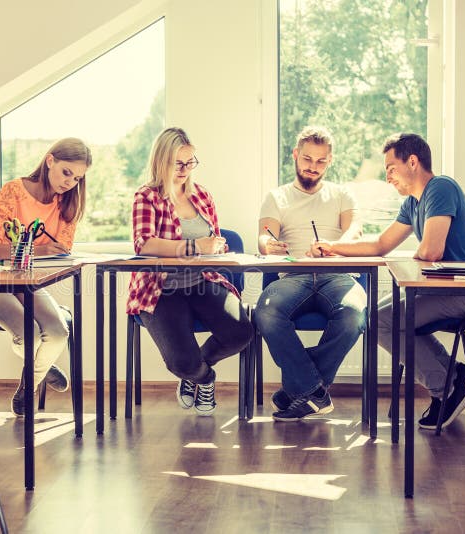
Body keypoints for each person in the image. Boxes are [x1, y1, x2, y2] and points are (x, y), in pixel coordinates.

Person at [313, 132, 465, 429]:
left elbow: (431, 250)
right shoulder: (412, 203)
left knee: (384, 320)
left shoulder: (441, 188)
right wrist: (333, 248)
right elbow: (380, 246)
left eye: (390, 168)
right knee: (376, 318)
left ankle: (446, 387)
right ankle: (454, 377)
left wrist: (419, 255)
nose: (388, 178)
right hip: (448, 289)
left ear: (412, 162)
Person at [126, 127, 253, 416]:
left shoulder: (202, 195)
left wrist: (216, 248)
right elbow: (144, 243)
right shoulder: (147, 197)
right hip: (161, 288)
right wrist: (194, 246)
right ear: (161, 161)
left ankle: (196, 371)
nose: (185, 169)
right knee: (181, 363)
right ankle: (202, 378)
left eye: (190, 162)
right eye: (178, 163)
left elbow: (215, 240)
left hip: (202, 281)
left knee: (241, 332)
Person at [255, 125, 367, 422]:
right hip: (293, 276)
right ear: (295, 155)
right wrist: (270, 246)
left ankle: (298, 389)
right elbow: (264, 237)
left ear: (329, 161)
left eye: (320, 161)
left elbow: (354, 231)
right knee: (265, 313)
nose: (312, 167)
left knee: (354, 315)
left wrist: (333, 247)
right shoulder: (276, 197)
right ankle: (313, 391)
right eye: (307, 159)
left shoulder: (343, 195)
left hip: (338, 276)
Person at [0, 137, 92, 416]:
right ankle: (43, 367)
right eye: (67, 172)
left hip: (28, 284)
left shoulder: (66, 204)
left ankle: (28, 383)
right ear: (50, 160)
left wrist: (50, 253)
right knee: (31, 337)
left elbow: (60, 251)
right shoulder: (13, 192)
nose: (70, 182)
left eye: (77, 178)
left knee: (57, 332)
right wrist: (39, 249)